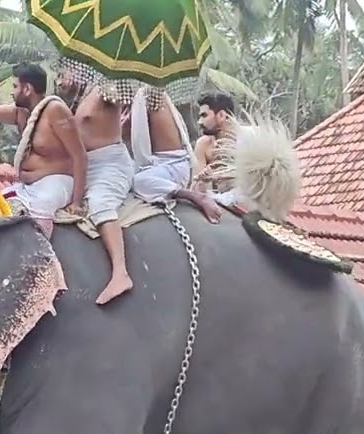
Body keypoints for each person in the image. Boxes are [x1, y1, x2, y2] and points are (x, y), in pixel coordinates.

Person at [0, 63, 87, 233]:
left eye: (15, 86)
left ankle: (40, 249)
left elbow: (80, 155)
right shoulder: (21, 112)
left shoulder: (56, 110)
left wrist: (76, 203)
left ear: (27, 89)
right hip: (27, 186)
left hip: (57, 183)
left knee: (38, 210)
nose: (11, 92)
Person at [56, 70, 138, 304]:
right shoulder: (85, 92)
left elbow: (123, 94)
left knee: (100, 204)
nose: (61, 78)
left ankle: (120, 273)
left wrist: (114, 87)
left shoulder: (110, 85)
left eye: (66, 72)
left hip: (111, 164)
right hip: (85, 166)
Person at [126, 85, 224, 223]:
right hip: (157, 166)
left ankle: (194, 197)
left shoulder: (152, 94)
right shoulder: (137, 98)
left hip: (173, 166)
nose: (199, 122)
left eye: (204, 116)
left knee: (137, 182)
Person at [191, 91, 245, 206]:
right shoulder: (204, 144)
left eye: (204, 115)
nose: (199, 122)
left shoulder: (246, 140)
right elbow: (196, 190)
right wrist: (203, 180)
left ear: (221, 115)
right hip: (221, 205)